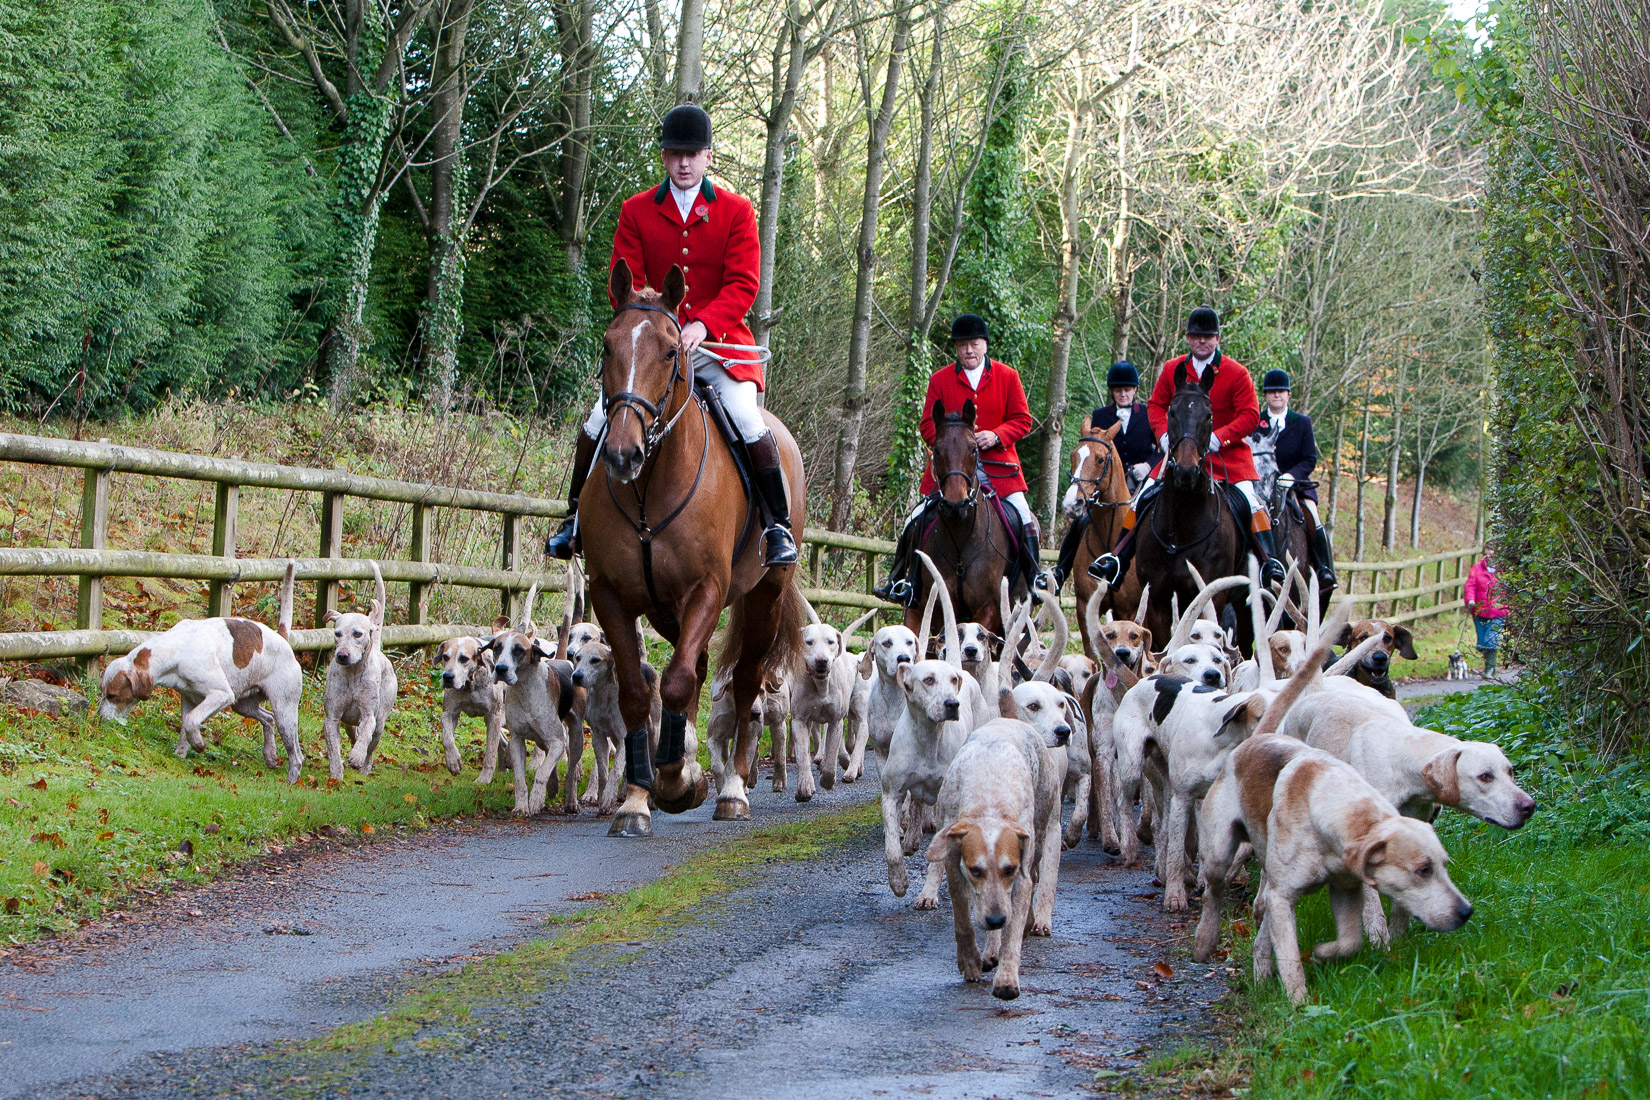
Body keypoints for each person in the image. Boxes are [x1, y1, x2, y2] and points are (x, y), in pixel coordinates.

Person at [545, 103, 797, 567]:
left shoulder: (737, 211)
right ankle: (574, 518)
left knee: (747, 417)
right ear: (664, 156)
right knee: (598, 420)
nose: (684, 163)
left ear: (708, 157)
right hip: (652, 348)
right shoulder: (636, 210)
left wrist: (702, 324)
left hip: (717, 347)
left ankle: (777, 526)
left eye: (692, 154)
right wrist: (662, 327)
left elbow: (744, 283)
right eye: (675, 154)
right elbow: (625, 282)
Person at [1091, 306, 1287, 588]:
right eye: (1196, 336)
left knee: (1252, 502)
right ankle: (1118, 559)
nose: (1202, 341)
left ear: (1217, 338)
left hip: (1226, 458)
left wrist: (1219, 438)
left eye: (1208, 336)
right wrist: (1163, 436)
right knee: (1142, 496)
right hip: (1179, 455)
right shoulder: (1173, 369)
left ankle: (1270, 564)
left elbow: (1250, 415)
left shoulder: (1236, 372)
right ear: (1187, 338)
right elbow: (1156, 405)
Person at [873, 314, 1039, 605]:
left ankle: (1035, 580)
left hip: (999, 468)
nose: (968, 350)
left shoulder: (1008, 376)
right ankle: (901, 580)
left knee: (1026, 519)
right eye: (962, 345)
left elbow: (1023, 420)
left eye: (974, 344)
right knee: (914, 519)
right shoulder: (940, 379)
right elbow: (927, 424)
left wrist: (996, 435)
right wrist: (952, 441)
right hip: (952, 469)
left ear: (985, 345)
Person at [1040, 360, 1162, 592]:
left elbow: (1161, 449)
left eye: (1127, 389)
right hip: (1105, 486)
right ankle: (1060, 572)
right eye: (1118, 390)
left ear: (1135, 389)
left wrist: (1148, 466)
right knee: (1081, 522)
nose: (1123, 394)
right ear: (1112, 391)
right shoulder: (1100, 415)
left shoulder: (1148, 415)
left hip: (1141, 483)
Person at [1250, 369, 1338, 593]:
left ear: (1289, 395)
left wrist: (1290, 476)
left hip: (1295, 486)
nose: (1276, 395)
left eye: (1280, 391)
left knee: (1313, 516)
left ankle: (1324, 568)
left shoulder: (1302, 423)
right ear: (1265, 396)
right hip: (1260, 486)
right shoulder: (1255, 422)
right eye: (1271, 392)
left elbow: (1309, 459)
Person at [1463, 550, 1509, 677]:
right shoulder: (1476, 569)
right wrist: (1470, 600)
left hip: (1498, 611)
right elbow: (1470, 586)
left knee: (1491, 639)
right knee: (1481, 644)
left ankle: (1489, 669)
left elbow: (1510, 590)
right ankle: (1490, 664)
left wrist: (1510, 606)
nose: (1490, 557)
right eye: (1488, 554)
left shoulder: (1504, 571)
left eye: (1493, 554)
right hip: (1480, 611)